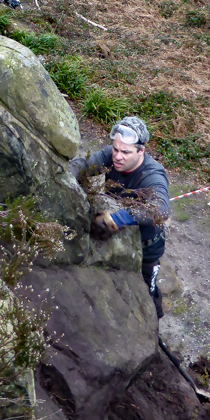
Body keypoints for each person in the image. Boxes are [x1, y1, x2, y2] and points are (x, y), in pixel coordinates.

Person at [70, 117, 169, 317]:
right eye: (115, 149)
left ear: (141, 151)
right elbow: (84, 164)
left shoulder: (152, 175)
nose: (118, 157)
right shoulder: (110, 156)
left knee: (147, 289)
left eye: (126, 152)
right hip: (118, 235)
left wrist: (119, 219)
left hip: (146, 244)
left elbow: (160, 209)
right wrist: (68, 176)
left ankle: (155, 322)